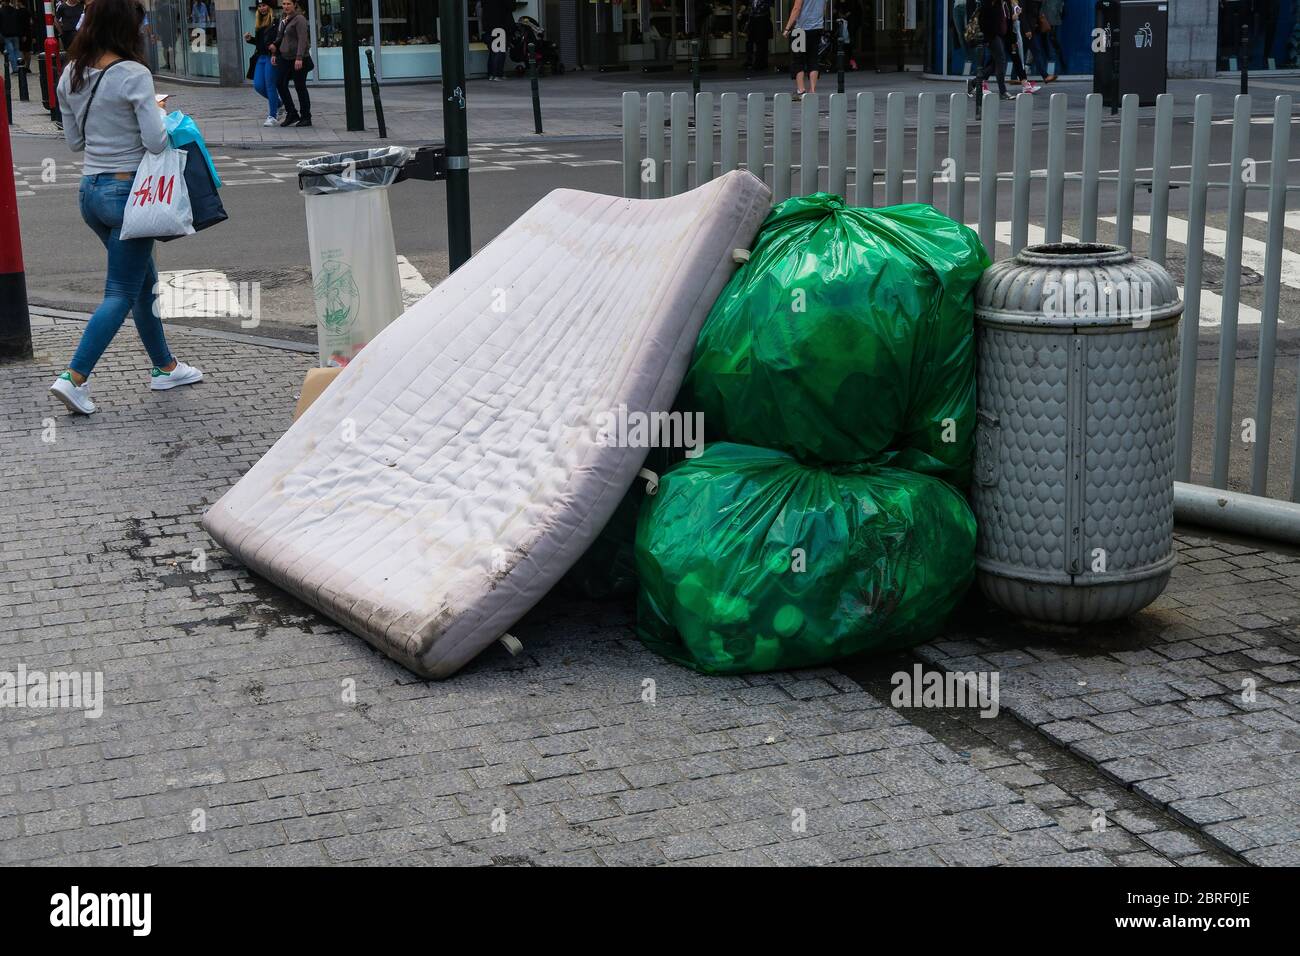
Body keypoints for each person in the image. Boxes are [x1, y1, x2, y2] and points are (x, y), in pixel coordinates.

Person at [50, 0, 202, 415]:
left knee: (141, 283)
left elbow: (74, 143)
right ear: (126, 28)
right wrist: (155, 108)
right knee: (119, 292)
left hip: (90, 193)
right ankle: (74, 378)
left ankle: (165, 367)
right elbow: (156, 142)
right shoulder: (134, 74)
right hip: (126, 195)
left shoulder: (71, 74)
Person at [270, 0, 309, 127]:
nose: (286, 6)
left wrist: (299, 57)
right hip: (285, 58)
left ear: (294, 5)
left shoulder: (299, 19)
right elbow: (279, 38)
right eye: (284, 4)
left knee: (300, 87)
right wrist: (274, 53)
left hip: (298, 58)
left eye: (288, 4)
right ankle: (291, 113)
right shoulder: (283, 18)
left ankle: (306, 117)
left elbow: (303, 39)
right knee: (280, 83)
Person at [244, 0, 279, 125]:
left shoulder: (275, 22)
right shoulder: (259, 23)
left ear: (269, 7)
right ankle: (279, 103)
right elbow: (261, 43)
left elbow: (277, 41)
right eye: (259, 6)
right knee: (258, 85)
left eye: (264, 5)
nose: (261, 8)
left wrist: (275, 50)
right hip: (260, 57)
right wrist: (250, 39)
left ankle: (273, 116)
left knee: (270, 85)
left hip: (271, 57)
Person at [969, 0, 1013, 99]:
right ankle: (1003, 91)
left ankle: (974, 82)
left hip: (1000, 35)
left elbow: (1005, 20)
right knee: (1001, 61)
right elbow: (983, 22)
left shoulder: (1000, 4)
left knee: (995, 64)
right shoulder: (986, 4)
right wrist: (988, 39)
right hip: (991, 37)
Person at [783, 0, 827, 99]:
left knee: (798, 60)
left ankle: (801, 90)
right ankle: (812, 90)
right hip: (817, 28)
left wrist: (787, 28)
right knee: (813, 59)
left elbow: (796, 8)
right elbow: (823, 8)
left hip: (800, 29)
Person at [480, 0, 512, 81]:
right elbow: (511, 6)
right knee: (500, 51)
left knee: (493, 51)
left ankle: (491, 74)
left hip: (489, 27)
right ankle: (497, 74)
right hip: (500, 26)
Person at [744, 0, 773, 74]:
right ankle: (750, 61)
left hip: (762, 18)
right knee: (750, 40)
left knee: (761, 42)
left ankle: (760, 62)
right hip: (753, 18)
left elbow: (769, 4)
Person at [1039, 0, 1064, 78]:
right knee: (1051, 39)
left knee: (1047, 39)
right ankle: (1059, 61)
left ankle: (1051, 58)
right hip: (1051, 14)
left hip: (1048, 15)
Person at [1, 0, 27, 72]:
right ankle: (20, 67)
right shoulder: (15, 10)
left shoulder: (1, 11)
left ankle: (15, 68)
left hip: (7, 35)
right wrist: (21, 34)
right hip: (15, 34)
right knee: (17, 51)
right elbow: (18, 23)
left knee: (10, 52)